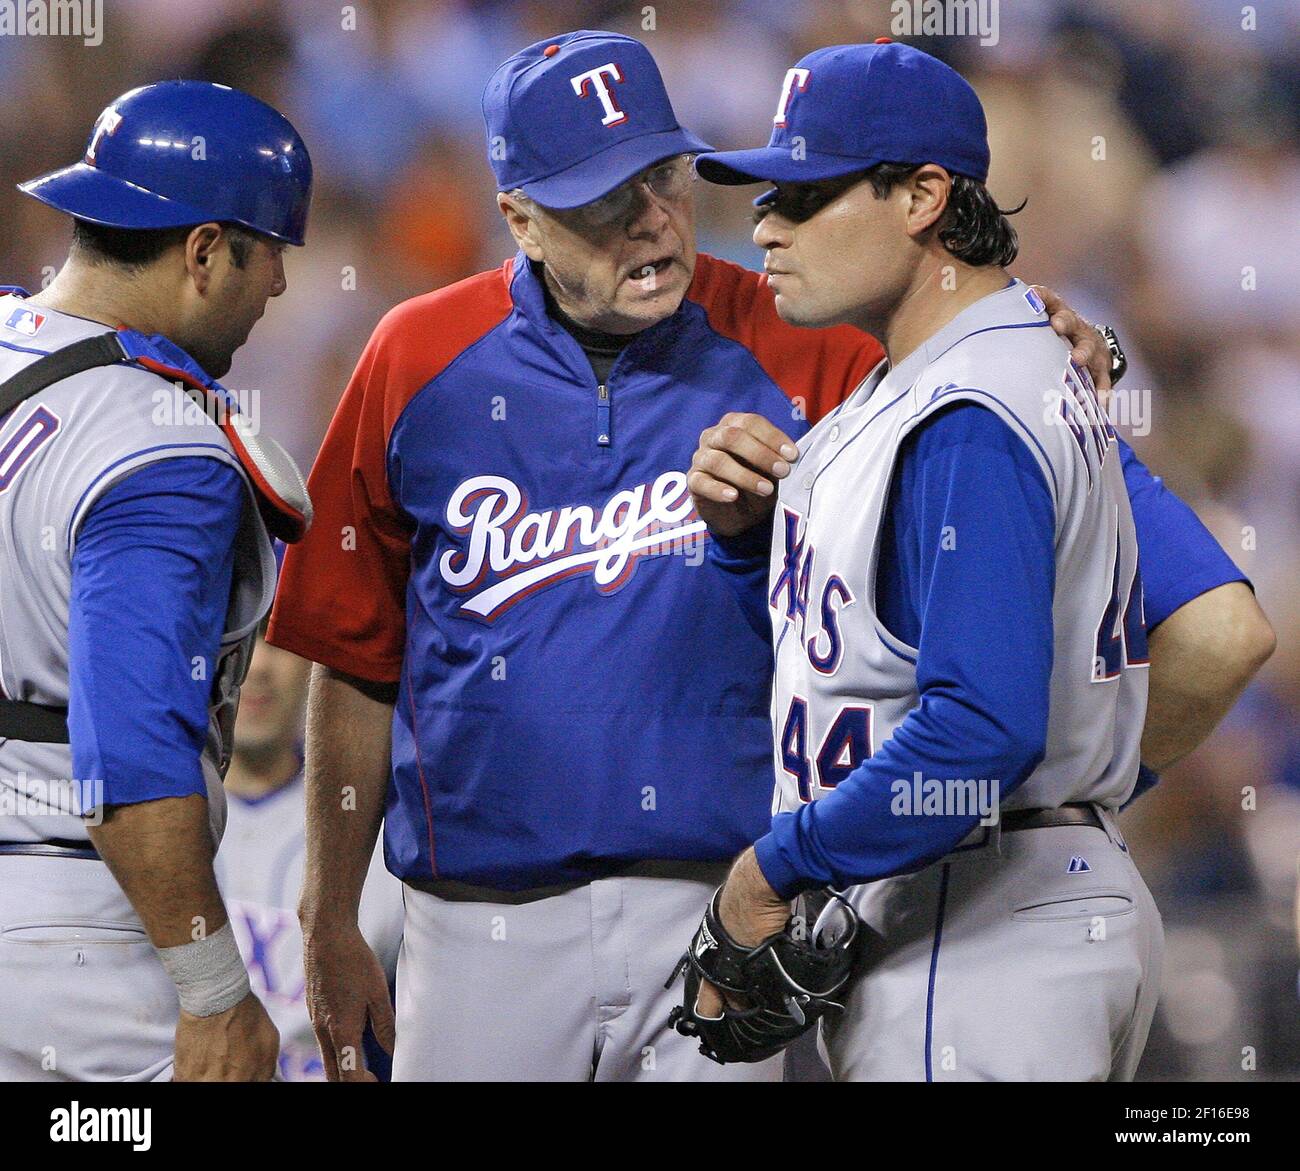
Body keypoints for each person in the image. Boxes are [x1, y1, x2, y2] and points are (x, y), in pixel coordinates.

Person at [268, 31, 1265, 1082]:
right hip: (480, 924)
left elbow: (1205, 621)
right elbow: (354, 651)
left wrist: (1048, 804)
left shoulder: (834, 344)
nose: (651, 222)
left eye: (661, 178)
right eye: (603, 200)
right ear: (516, 215)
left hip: (734, 905)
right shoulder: (417, 357)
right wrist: (328, 910)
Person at [682, 41, 1275, 1080]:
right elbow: (1223, 630)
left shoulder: (966, 411)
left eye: (804, 195)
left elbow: (979, 733)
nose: (764, 227)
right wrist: (1069, 810)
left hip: (974, 921)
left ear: (921, 196)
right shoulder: (1009, 374)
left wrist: (768, 871)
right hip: (1029, 898)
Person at [0, 81, 313, 1081]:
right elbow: (128, 763)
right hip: (72, 927)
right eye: (271, 255)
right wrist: (217, 992)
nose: (276, 289)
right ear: (206, 251)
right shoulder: (156, 443)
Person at [215, 614, 404, 1082]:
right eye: (241, 641)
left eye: (276, 639)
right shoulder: (154, 824)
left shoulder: (374, 834)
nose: (258, 667)